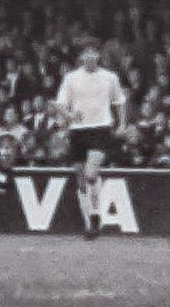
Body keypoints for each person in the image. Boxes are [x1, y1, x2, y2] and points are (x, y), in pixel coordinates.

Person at [55, 42, 128, 239]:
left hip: (100, 128)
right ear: (81, 57)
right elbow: (60, 104)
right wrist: (69, 116)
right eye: (86, 54)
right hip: (78, 131)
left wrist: (121, 124)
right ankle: (91, 220)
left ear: (98, 56)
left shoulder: (109, 77)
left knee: (90, 173)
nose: (89, 57)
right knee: (80, 177)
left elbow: (120, 101)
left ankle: (95, 215)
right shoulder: (71, 78)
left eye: (93, 53)